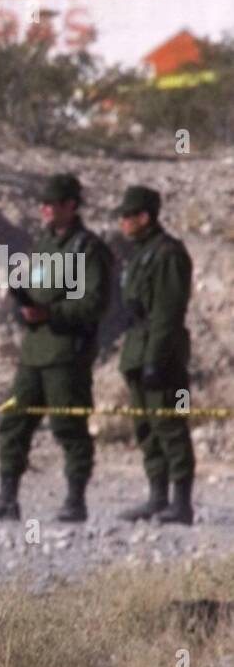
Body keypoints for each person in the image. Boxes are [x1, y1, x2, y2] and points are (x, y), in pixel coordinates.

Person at [0, 173, 111, 522]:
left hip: (67, 353)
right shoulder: (44, 244)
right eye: (43, 204)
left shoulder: (88, 249)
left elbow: (94, 303)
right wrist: (26, 306)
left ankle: (75, 501)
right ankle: (7, 498)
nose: (45, 210)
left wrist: (51, 311)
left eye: (53, 204)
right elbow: (36, 287)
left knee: (69, 426)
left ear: (71, 206)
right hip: (34, 351)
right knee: (15, 421)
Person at [115, 185, 195, 525]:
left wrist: (155, 360)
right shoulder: (142, 253)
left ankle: (181, 503)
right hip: (139, 351)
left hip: (165, 358)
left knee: (170, 425)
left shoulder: (168, 254)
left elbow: (168, 313)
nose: (122, 223)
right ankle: (157, 497)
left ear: (144, 217)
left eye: (127, 216)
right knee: (146, 427)